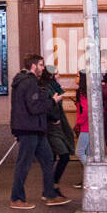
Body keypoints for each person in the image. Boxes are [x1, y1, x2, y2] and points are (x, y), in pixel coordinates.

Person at [9, 54, 71, 210]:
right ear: (33, 66)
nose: (43, 68)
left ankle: (50, 194)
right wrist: (52, 101)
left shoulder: (22, 81)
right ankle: (16, 198)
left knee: (48, 159)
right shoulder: (29, 82)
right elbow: (34, 107)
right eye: (41, 65)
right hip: (30, 128)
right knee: (24, 163)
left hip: (32, 128)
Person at [39, 65, 75, 197]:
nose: (59, 76)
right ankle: (52, 186)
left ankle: (50, 188)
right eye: (57, 73)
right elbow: (46, 106)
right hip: (51, 128)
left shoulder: (54, 87)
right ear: (51, 75)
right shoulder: (47, 88)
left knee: (53, 158)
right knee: (63, 155)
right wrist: (53, 118)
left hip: (58, 127)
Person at [73, 71, 89, 188]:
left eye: (78, 76)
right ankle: (87, 180)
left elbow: (86, 111)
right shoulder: (86, 91)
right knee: (87, 153)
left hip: (85, 127)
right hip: (88, 126)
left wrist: (78, 123)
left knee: (79, 152)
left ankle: (92, 174)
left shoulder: (83, 93)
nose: (76, 78)